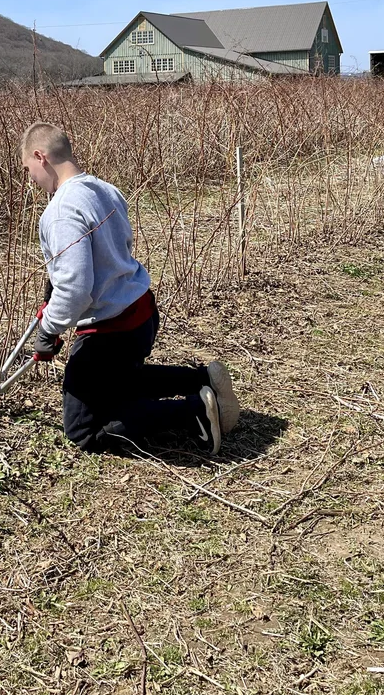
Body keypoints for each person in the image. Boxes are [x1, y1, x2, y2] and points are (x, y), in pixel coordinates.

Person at [20, 122, 240, 454]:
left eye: (29, 169)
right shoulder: (105, 190)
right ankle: (201, 380)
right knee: (120, 383)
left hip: (111, 332)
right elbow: (102, 256)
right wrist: (53, 301)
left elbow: (77, 288)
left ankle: (194, 413)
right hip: (141, 312)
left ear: (41, 157)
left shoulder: (61, 212)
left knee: (83, 429)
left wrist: (50, 329)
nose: (31, 180)